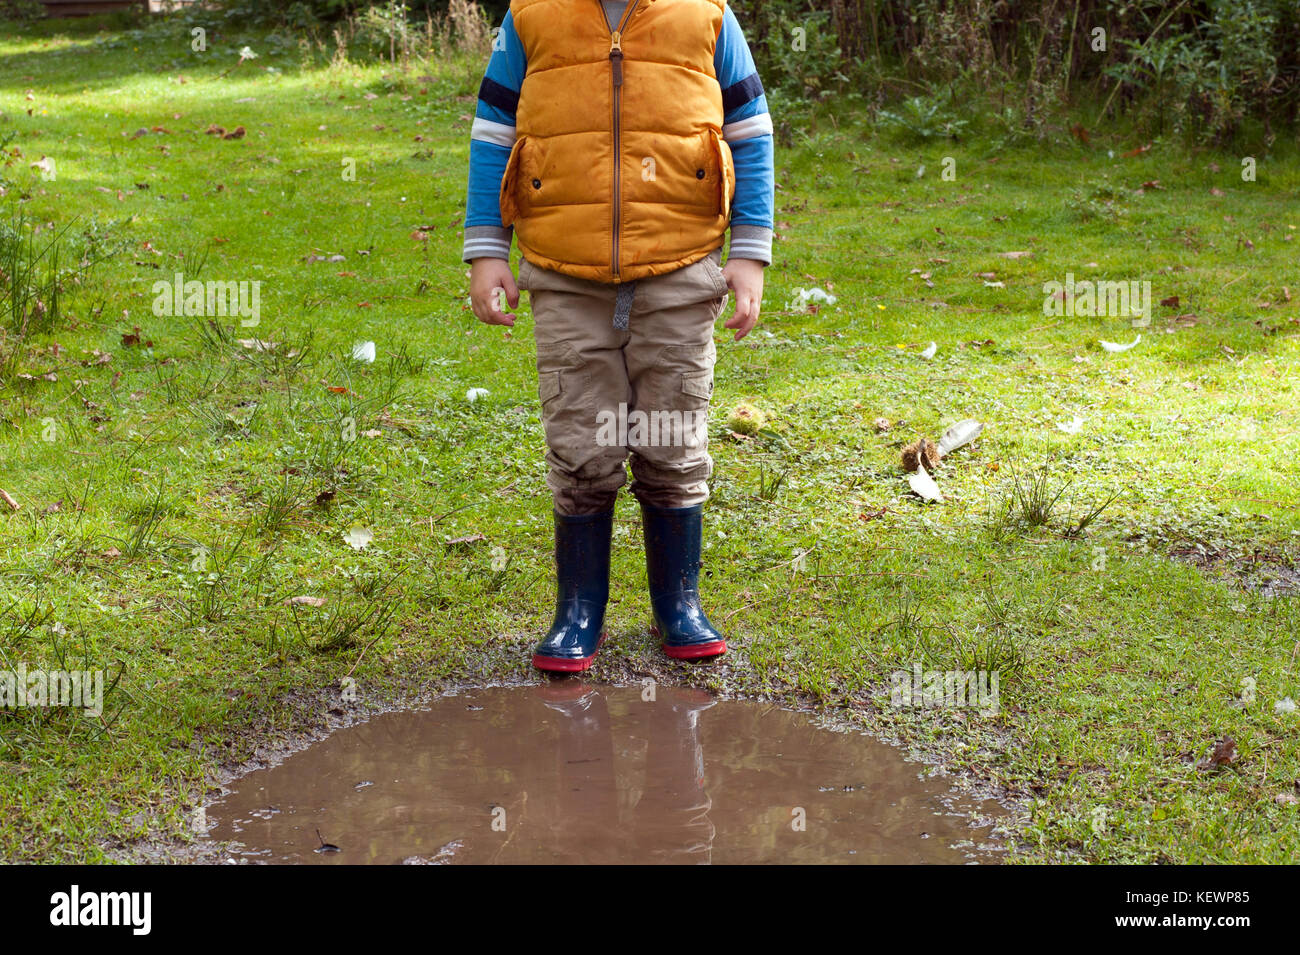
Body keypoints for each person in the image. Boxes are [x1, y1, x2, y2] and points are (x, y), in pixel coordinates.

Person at [462, 0, 774, 671]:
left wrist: (748, 251)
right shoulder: (529, 17)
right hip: (564, 276)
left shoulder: (707, 14)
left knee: (673, 436)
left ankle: (679, 603)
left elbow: (751, 129)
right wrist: (489, 248)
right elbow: (492, 133)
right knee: (581, 441)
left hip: (681, 270)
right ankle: (578, 610)